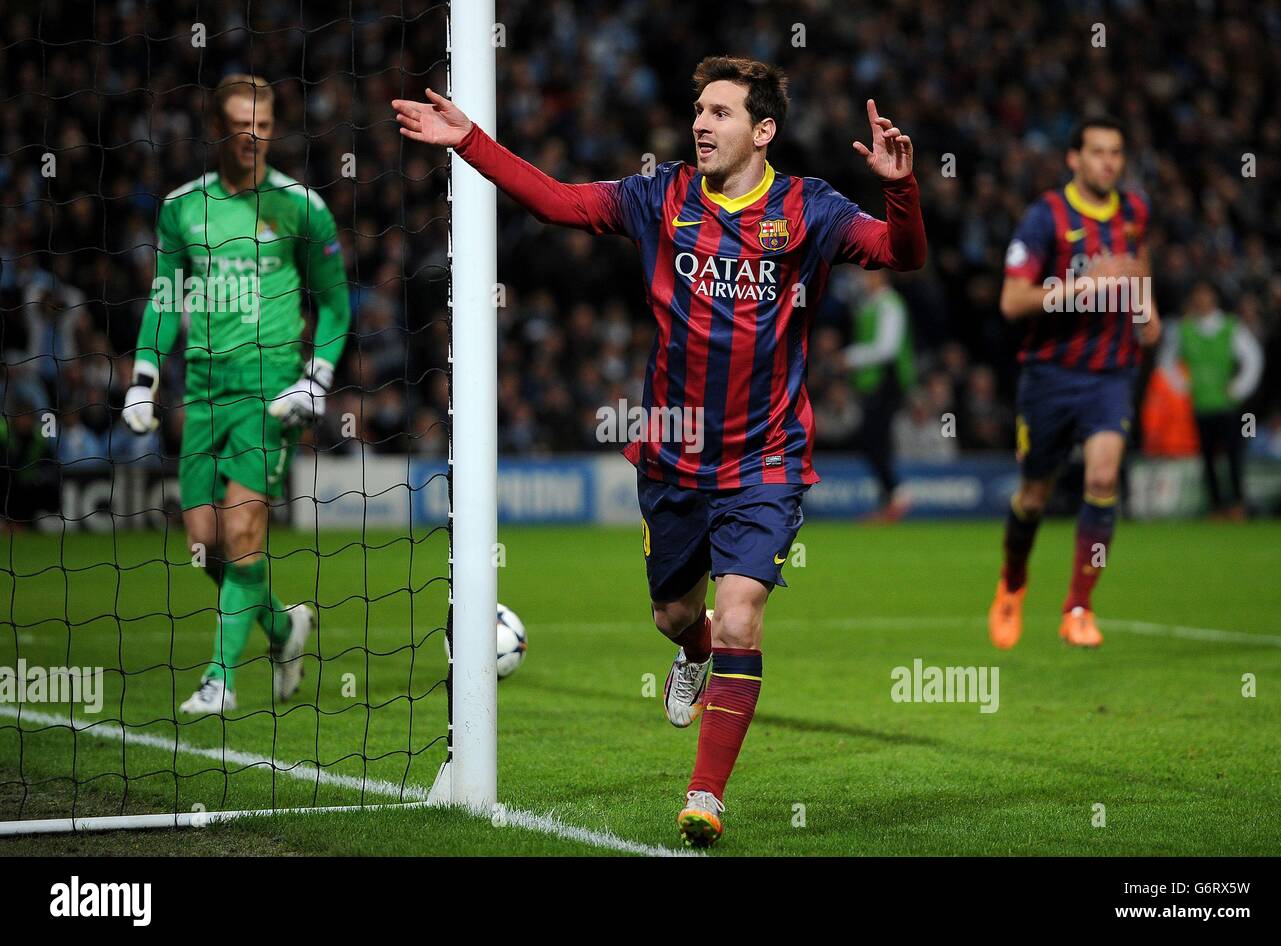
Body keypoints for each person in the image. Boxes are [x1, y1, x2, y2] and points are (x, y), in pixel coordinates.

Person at [394, 55, 925, 846]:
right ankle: (693, 649)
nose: (701, 123)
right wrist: (472, 139)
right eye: (699, 110)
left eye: (720, 112)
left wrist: (899, 188)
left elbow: (901, 255)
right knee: (676, 614)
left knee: (742, 615)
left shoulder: (808, 208)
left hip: (766, 457)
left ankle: (705, 795)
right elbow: (560, 204)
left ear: (763, 129)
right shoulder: (662, 195)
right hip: (674, 457)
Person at [123, 75, 353, 715]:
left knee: (244, 530)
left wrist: (316, 377)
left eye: (264, 126)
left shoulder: (300, 207)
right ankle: (284, 629)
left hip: (269, 393)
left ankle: (220, 680)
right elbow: (164, 300)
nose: (253, 137)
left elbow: (335, 304)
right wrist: (144, 376)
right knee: (204, 543)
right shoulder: (181, 209)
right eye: (241, 125)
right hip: (201, 396)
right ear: (218, 130)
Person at [989, 116, 1160, 651]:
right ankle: (1013, 582)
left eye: (1116, 152)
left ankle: (1079, 608)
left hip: (1111, 373)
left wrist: (1146, 307)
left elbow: (1138, 259)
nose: (1109, 162)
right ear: (1074, 159)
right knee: (1034, 496)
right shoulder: (1047, 218)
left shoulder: (1134, 210)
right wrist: (1083, 285)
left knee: (1103, 478)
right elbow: (1012, 301)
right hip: (1050, 375)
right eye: (1097, 152)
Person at [1159, 280, 1263, 518]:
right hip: (1200, 404)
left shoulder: (1230, 326)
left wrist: (1238, 388)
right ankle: (1217, 506)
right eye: (1198, 295)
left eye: (1206, 295)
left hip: (1228, 405)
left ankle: (1237, 503)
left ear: (1214, 298)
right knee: (1207, 458)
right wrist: (1183, 387)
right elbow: (1166, 361)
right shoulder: (1184, 329)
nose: (1202, 300)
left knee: (1233, 455)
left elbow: (1253, 359)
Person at [841, 268, 915, 520]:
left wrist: (850, 358)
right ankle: (890, 498)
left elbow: (888, 348)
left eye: (864, 274)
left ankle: (897, 494)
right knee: (874, 439)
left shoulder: (889, 304)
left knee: (875, 438)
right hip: (872, 383)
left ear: (879, 276)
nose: (860, 280)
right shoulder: (869, 304)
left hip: (887, 381)